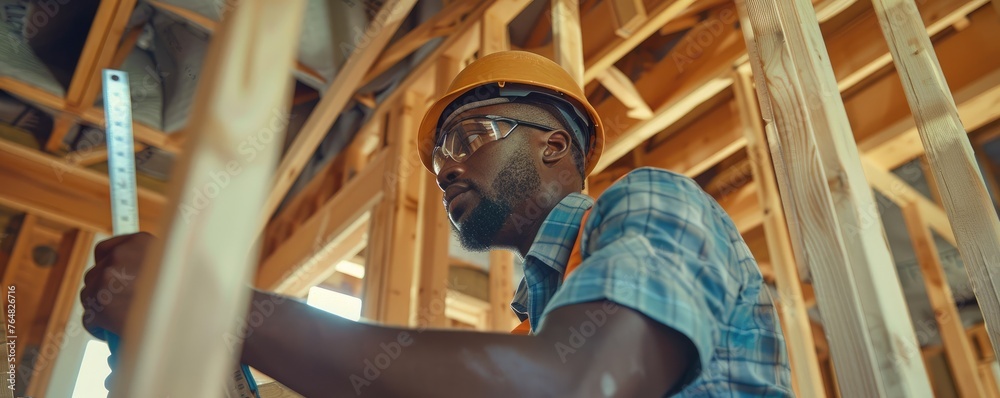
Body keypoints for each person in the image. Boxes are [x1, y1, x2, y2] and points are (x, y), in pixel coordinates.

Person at [81, 51, 792, 397]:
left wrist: (207, 308)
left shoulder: (652, 201)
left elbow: (579, 388)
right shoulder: (535, 327)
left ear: (555, 144)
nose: (446, 167)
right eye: (437, 155)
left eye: (469, 136)